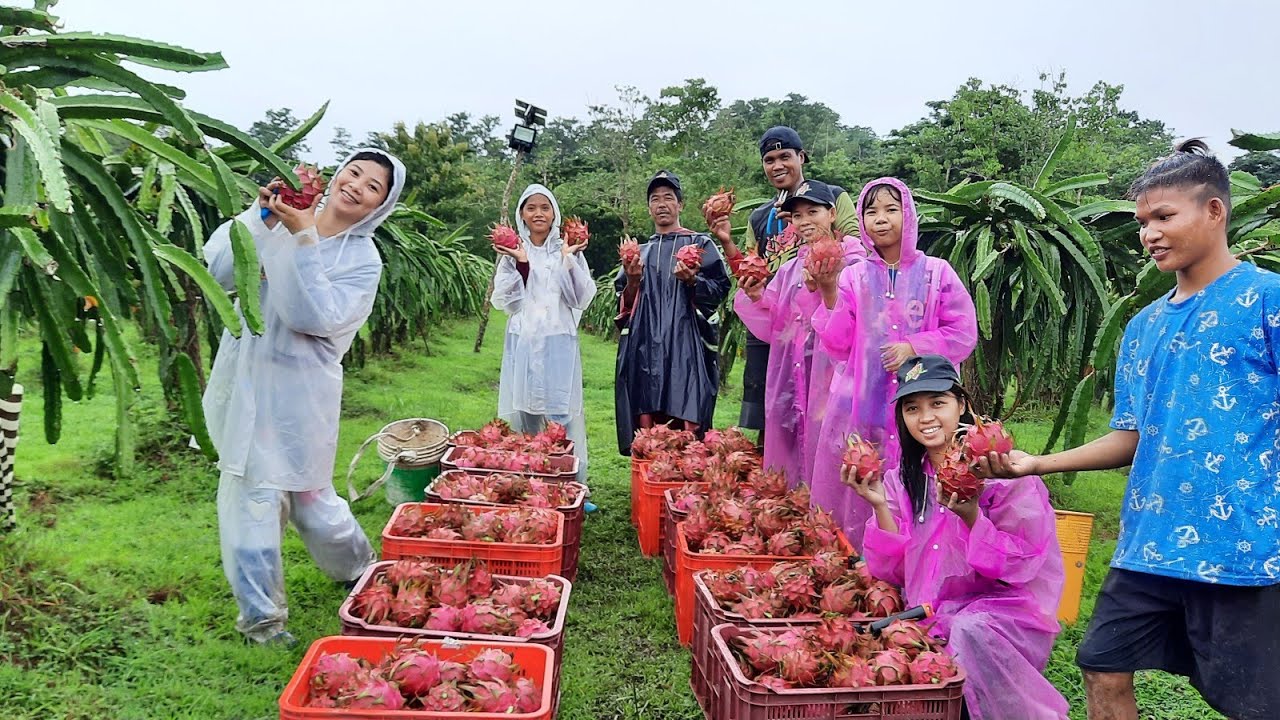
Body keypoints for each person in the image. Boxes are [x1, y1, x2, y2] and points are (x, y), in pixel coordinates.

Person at [981, 140, 1280, 720]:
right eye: (1143, 221)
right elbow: (1131, 435)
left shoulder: (1267, 300)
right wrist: (1037, 464)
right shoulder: (1142, 326)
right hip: (1150, 542)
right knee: (1101, 661)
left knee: (1256, 703)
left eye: (1165, 216)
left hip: (1242, 545)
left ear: (1215, 211)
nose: (1149, 233)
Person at [202, 149, 405, 645]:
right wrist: (261, 215)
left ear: (381, 205)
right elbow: (220, 271)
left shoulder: (363, 259)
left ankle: (358, 570)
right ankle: (263, 621)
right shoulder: (276, 218)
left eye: (373, 186)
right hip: (247, 374)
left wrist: (302, 236)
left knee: (312, 496)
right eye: (354, 173)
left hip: (302, 389)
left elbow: (313, 316)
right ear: (339, 175)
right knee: (252, 497)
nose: (357, 186)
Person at [846, 354, 1068, 720]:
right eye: (912, 408)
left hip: (999, 613)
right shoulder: (903, 479)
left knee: (969, 634)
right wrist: (878, 505)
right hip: (928, 613)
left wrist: (971, 516)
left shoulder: (1005, 474)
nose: (926, 418)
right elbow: (893, 572)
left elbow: (1021, 565)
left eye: (938, 403)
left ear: (961, 404)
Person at [809, 177, 976, 547]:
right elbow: (837, 341)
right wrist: (827, 289)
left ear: (909, 215)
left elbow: (963, 332)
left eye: (891, 209)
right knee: (864, 479)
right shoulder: (853, 276)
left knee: (919, 477)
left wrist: (914, 345)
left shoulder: (937, 273)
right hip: (864, 405)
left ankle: (919, 556)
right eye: (871, 211)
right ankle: (864, 556)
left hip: (922, 408)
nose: (880, 219)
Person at [710, 126, 859, 435]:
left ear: (801, 157)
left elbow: (857, 250)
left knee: (827, 413)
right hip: (777, 323)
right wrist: (726, 242)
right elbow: (750, 270)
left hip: (829, 321)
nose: (777, 166)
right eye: (769, 159)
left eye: (785, 157)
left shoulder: (832, 196)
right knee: (778, 414)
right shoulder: (759, 216)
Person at [732, 180, 864, 487]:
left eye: (813, 212)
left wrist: (823, 285)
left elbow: (861, 312)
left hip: (836, 373)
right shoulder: (790, 268)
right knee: (794, 440)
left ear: (832, 214)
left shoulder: (855, 260)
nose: (805, 221)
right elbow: (775, 317)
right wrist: (755, 296)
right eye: (797, 216)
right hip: (794, 373)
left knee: (833, 442)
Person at [615, 170, 731, 452]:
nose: (662, 204)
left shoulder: (700, 245)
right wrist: (632, 279)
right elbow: (624, 306)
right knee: (647, 409)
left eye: (669, 197)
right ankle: (647, 479)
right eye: (655, 199)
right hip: (645, 348)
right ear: (649, 208)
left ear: (680, 205)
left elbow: (720, 289)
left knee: (687, 407)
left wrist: (693, 280)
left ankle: (686, 476)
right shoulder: (638, 252)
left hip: (686, 346)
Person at [490, 184, 596, 494]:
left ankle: (571, 484)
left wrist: (569, 260)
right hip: (522, 341)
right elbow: (506, 302)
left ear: (554, 214)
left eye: (545, 207)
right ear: (521, 214)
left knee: (562, 413)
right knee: (525, 413)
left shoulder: (567, 248)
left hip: (558, 341)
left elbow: (580, 297)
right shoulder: (512, 252)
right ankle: (527, 481)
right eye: (531, 207)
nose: (538, 213)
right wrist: (521, 263)